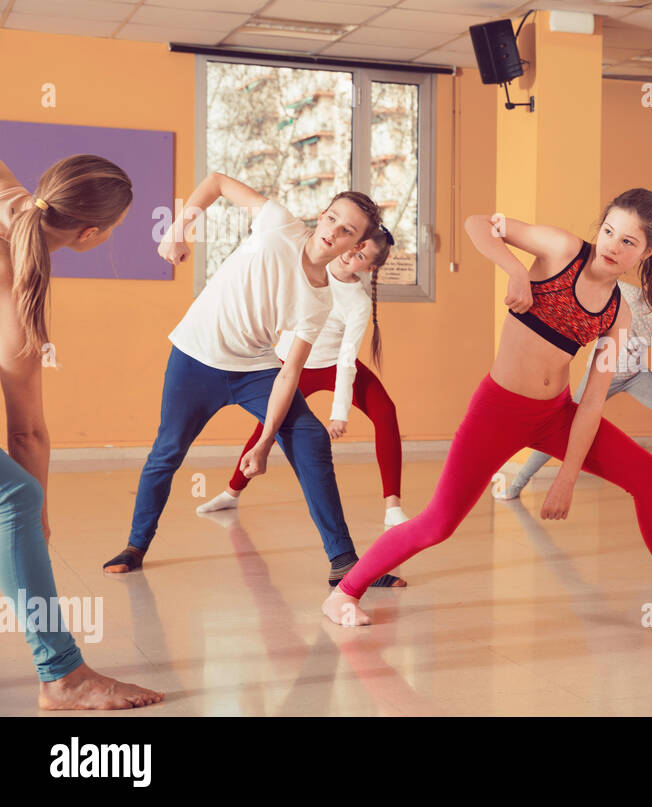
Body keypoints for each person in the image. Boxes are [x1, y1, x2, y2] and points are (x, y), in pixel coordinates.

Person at [321, 188, 652, 644]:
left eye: (628, 242)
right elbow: (477, 222)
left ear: (649, 250)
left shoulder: (618, 313)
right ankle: (344, 593)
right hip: (497, 411)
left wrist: (566, 477)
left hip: (556, 415)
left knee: (647, 475)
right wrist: (513, 270)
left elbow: (592, 401)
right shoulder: (561, 249)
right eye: (609, 231)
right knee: (439, 523)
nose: (612, 246)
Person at [101, 172, 404, 589]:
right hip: (196, 356)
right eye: (331, 218)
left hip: (254, 369)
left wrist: (264, 444)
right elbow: (216, 182)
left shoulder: (320, 300)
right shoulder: (279, 224)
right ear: (322, 214)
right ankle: (136, 545)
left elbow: (290, 372)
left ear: (356, 246)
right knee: (168, 450)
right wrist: (177, 229)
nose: (333, 231)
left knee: (310, 437)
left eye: (347, 230)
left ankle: (343, 562)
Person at [0, 154, 163, 708]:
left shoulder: (9, 195)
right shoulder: (19, 299)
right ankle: (63, 675)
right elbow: (24, 433)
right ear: (90, 234)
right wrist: (37, 515)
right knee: (15, 494)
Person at [197, 228, 410, 526]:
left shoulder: (358, 302)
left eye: (360, 256)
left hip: (336, 364)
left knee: (386, 411)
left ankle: (392, 506)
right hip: (295, 364)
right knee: (267, 425)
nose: (350, 254)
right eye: (354, 246)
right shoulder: (311, 267)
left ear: (369, 268)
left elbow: (348, 357)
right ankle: (232, 492)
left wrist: (340, 412)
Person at [494, 264, 652, 504]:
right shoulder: (629, 294)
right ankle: (518, 483)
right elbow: (589, 283)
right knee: (566, 426)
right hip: (602, 371)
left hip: (635, 375)